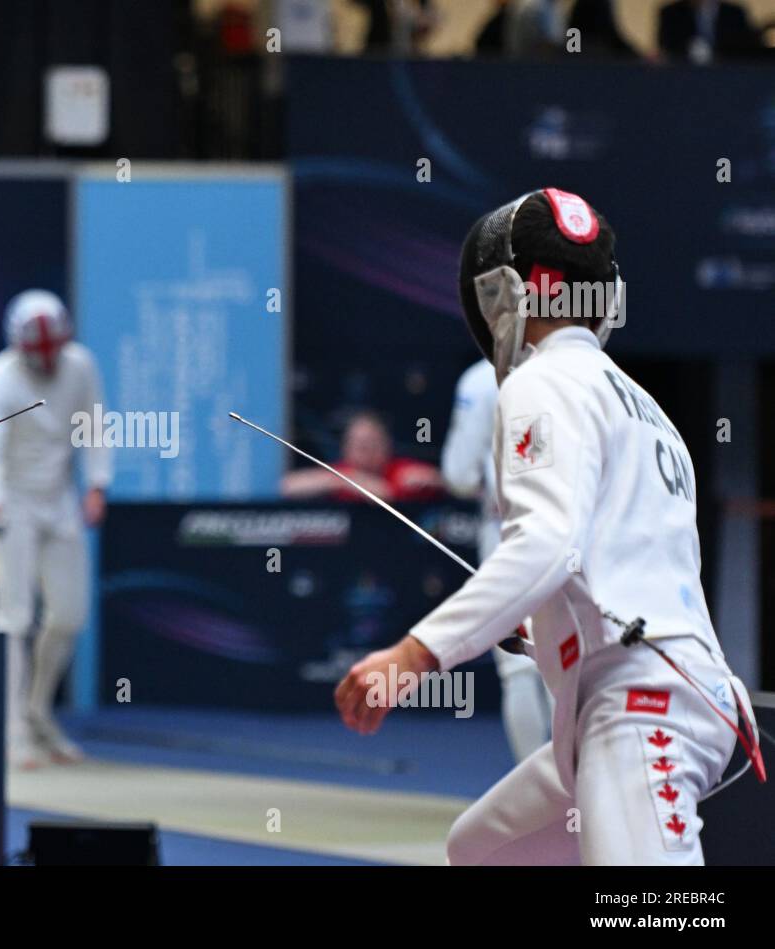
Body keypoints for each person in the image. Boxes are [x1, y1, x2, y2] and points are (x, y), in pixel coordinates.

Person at [333, 189, 760, 864]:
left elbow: (547, 542)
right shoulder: (644, 407)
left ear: (512, 293)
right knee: (484, 849)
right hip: (669, 693)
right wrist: (545, 624)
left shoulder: (541, 383)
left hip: (641, 702)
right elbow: (624, 567)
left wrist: (411, 656)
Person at [0, 290, 112, 770]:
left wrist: (97, 484)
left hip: (59, 501)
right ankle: (13, 731)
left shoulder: (80, 365)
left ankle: (38, 712)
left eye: (55, 349)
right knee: (14, 619)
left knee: (69, 615)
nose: (48, 360)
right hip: (12, 505)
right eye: (39, 351)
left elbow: (93, 424)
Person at [443, 357, 552, 763]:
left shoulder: (480, 378)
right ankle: (576, 792)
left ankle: (537, 791)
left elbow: (458, 473)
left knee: (520, 668)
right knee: (565, 666)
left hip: (508, 537)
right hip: (574, 539)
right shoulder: (579, 369)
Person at [281, 411, 442, 502]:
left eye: (372, 443)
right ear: (346, 447)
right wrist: (338, 480)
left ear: (387, 444)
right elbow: (287, 486)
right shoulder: (342, 472)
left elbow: (384, 493)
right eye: (359, 444)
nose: (366, 451)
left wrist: (432, 479)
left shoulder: (398, 468)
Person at [658, 0, 762, 63]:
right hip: (683, 77)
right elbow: (666, 47)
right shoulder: (671, 13)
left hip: (729, 76)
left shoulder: (734, 13)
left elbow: (746, 48)